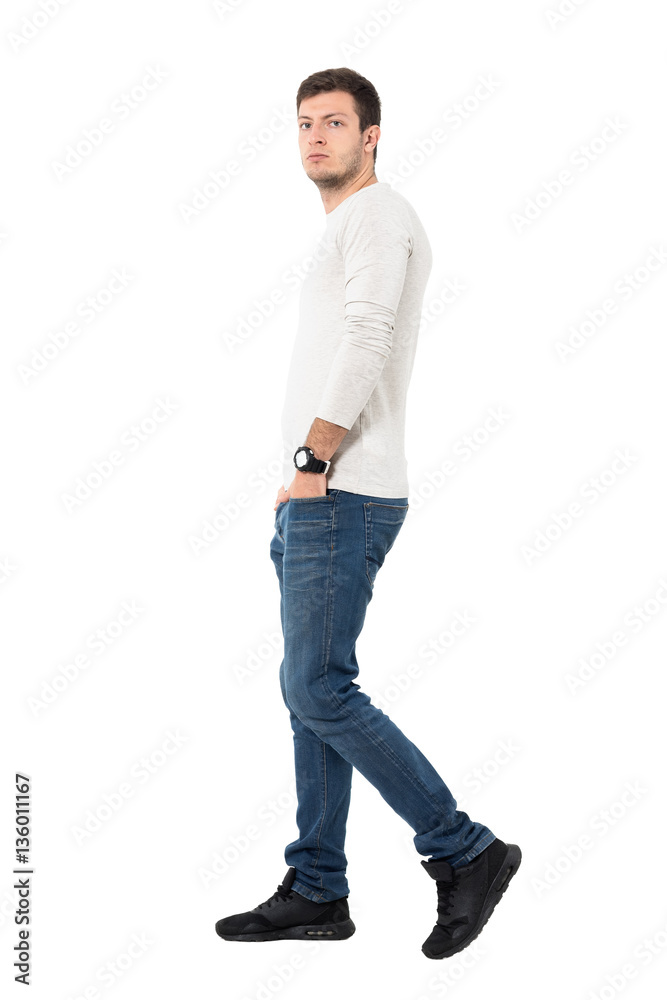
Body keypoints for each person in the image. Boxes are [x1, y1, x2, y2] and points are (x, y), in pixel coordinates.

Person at [215, 66, 521, 961]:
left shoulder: (379, 216)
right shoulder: (350, 223)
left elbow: (368, 338)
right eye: (304, 123)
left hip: (341, 489)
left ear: (371, 135)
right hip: (318, 493)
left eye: (335, 122)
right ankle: (317, 885)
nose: (315, 137)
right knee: (307, 692)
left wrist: (312, 459)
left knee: (316, 688)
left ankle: (465, 850)